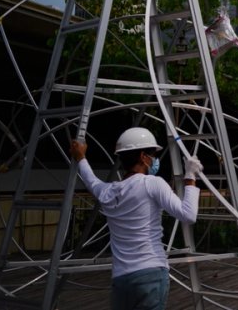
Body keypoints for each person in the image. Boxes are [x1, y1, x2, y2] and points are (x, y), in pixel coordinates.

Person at [70, 127, 203, 310]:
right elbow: (188, 215)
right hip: (151, 273)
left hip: (121, 280)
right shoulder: (152, 184)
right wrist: (190, 176)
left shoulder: (107, 192)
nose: (154, 159)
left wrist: (80, 157)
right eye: (152, 154)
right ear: (143, 157)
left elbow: (90, 180)